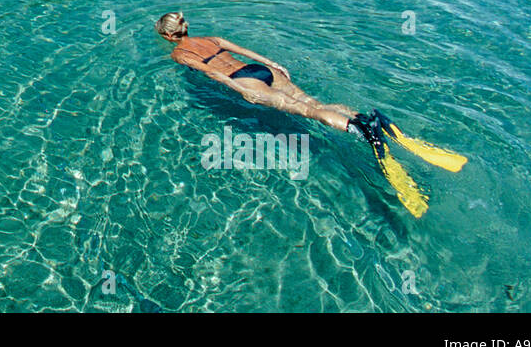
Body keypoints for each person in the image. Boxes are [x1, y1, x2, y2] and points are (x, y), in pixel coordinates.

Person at [156, 11, 467, 217]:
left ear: (170, 36)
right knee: (314, 101)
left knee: (308, 112)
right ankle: (368, 118)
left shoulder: (178, 53)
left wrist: (241, 91)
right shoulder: (211, 38)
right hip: (260, 69)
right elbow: (244, 52)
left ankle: (363, 131)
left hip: (244, 80)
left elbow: (212, 74)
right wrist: (273, 63)